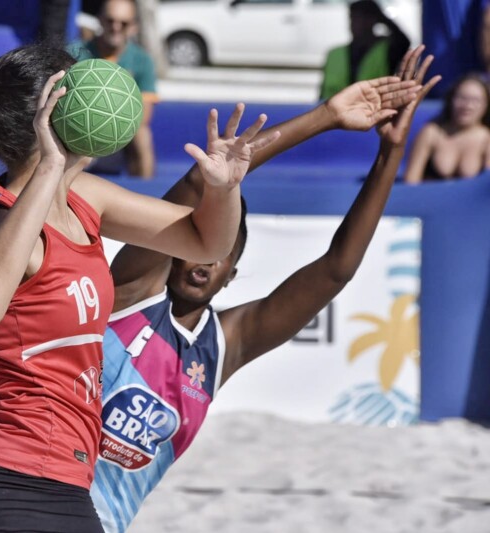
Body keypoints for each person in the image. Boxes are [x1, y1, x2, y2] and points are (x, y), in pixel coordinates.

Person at [0, 1, 280, 530]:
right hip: (15, 481)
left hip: (12, 475)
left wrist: (223, 191)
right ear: (56, 115)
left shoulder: (82, 196)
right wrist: (48, 167)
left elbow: (203, 243)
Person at [91, 48, 439, 532]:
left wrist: (390, 154)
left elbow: (335, 270)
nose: (207, 260)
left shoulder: (224, 344)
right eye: (200, 242)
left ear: (232, 271)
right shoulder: (132, 289)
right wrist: (326, 116)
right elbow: (203, 181)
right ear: (175, 243)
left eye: (223, 253)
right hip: (41, 492)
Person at [67, 0, 157, 178]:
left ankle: (147, 192)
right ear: (100, 20)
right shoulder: (75, 52)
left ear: (133, 27)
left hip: (119, 131)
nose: (116, 27)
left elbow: (144, 115)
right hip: (78, 124)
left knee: (143, 134)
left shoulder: (142, 60)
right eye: (110, 20)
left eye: (123, 23)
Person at [404, 73, 490, 183]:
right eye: (462, 98)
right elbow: (411, 182)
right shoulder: (431, 133)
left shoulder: (487, 140)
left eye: (476, 100)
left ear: (486, 106)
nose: (468, 106)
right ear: (451, 100)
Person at [320, 0, 410, 100]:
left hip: (371, 110)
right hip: (332, 111)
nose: (354, 23)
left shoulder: (386, 50)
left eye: (360, 18)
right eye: (352, 18)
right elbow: (322, 91)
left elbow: (404, 41)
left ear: (372, 20)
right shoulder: (334, 54)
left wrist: (382, 18)